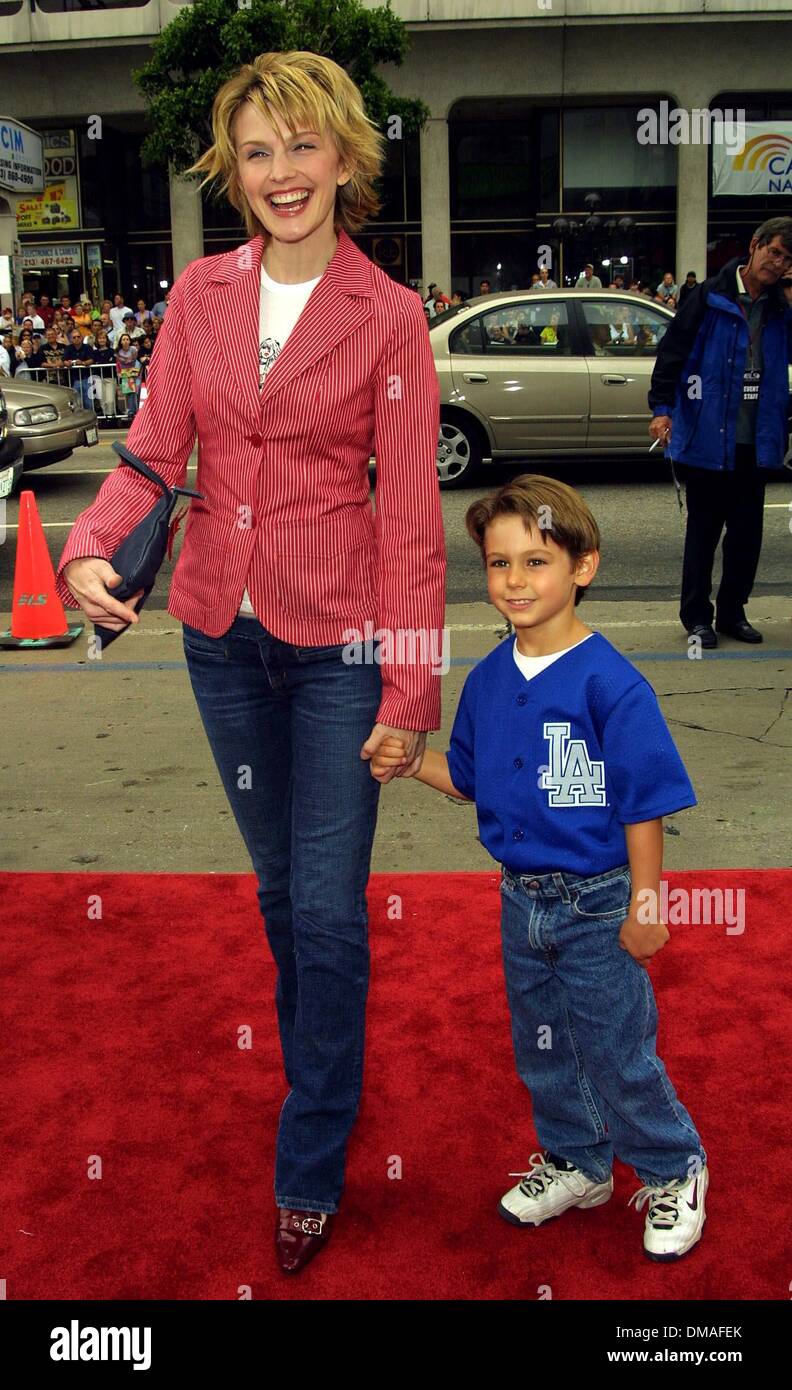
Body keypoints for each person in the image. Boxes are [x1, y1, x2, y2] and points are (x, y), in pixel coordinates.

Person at [54, 48, 445, 1278]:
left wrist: (410, 689)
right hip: (220, 637)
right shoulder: (197, 296)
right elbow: (150, 451)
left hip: (340, 648)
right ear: (237, 172)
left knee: (327, 909)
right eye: (258, 152)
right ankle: (324, 1065)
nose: (283, 173)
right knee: (283, 898)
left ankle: (311, 1158)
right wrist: (93, 546)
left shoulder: (387, 316)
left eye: (303, 147)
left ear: (344, 159)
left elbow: (413, 521)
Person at [372, 474, 709, 1262]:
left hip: (597, 899)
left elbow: (644, 804)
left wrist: (647, 905)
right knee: (544, 1046)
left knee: (617, 1047)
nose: (515, 582)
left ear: (583, 566)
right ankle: (580, 1161)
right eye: (498, 564)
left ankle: (672, 1168)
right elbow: (473, 782)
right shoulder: (488, 679)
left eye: (536, 562)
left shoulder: (612, 684)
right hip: (519, 899)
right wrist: (411, 762)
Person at [649, 216, 792, 645]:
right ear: (755, 245)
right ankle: (697, 617)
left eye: (787, 259)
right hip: (709, 438)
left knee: (746, 538)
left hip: (756, 440)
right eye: (775, 252)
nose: (778, 263)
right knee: (704, 534)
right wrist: (662, 408)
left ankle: (733, 612)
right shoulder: (708, 296)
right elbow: (672, 353)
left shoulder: (781, 307)